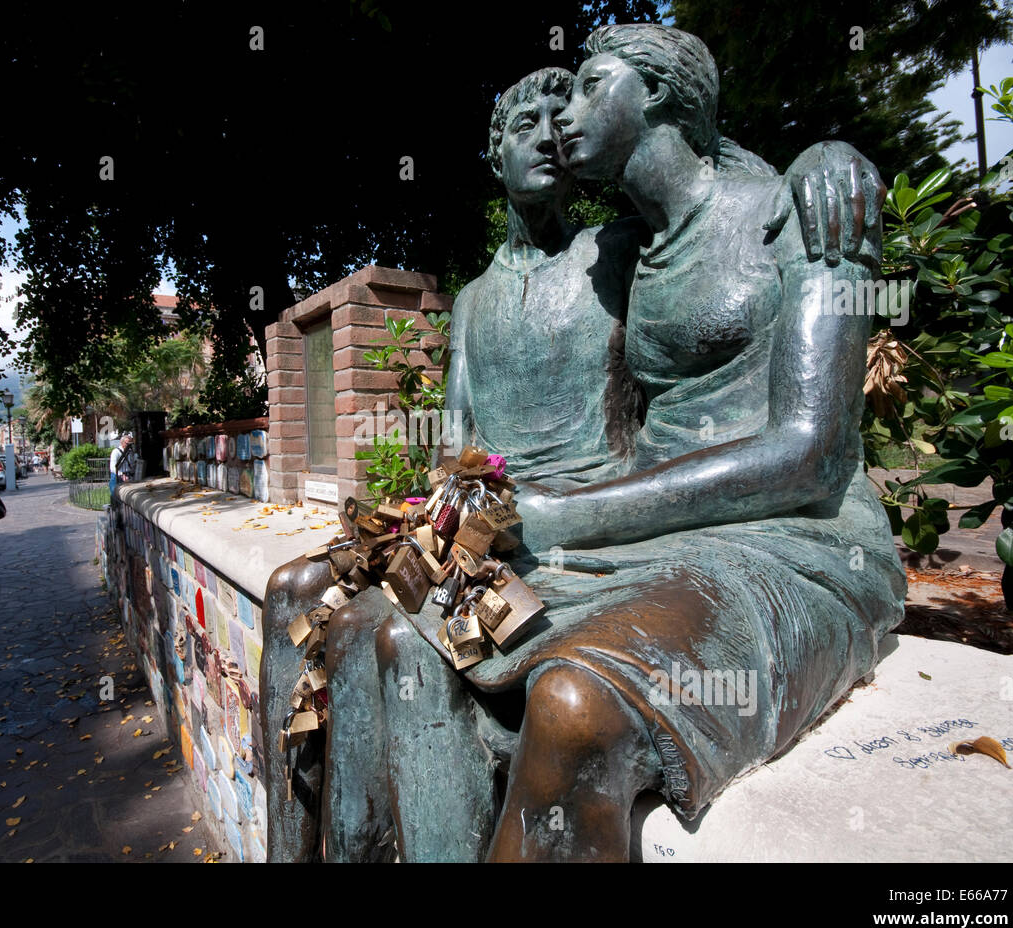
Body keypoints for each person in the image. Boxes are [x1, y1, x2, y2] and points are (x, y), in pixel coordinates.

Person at [261, 54, 893, 862]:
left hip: (620, 517)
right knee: (306, 601)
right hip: (527, 518)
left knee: (387, 638)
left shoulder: (618, 250)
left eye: (582, 98)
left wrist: (826, 155)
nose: (558, 131)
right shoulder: (483, 299)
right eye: (531, 124)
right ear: (492, 157)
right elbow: (455, 445)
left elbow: (707, 188)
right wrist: (443, 513)